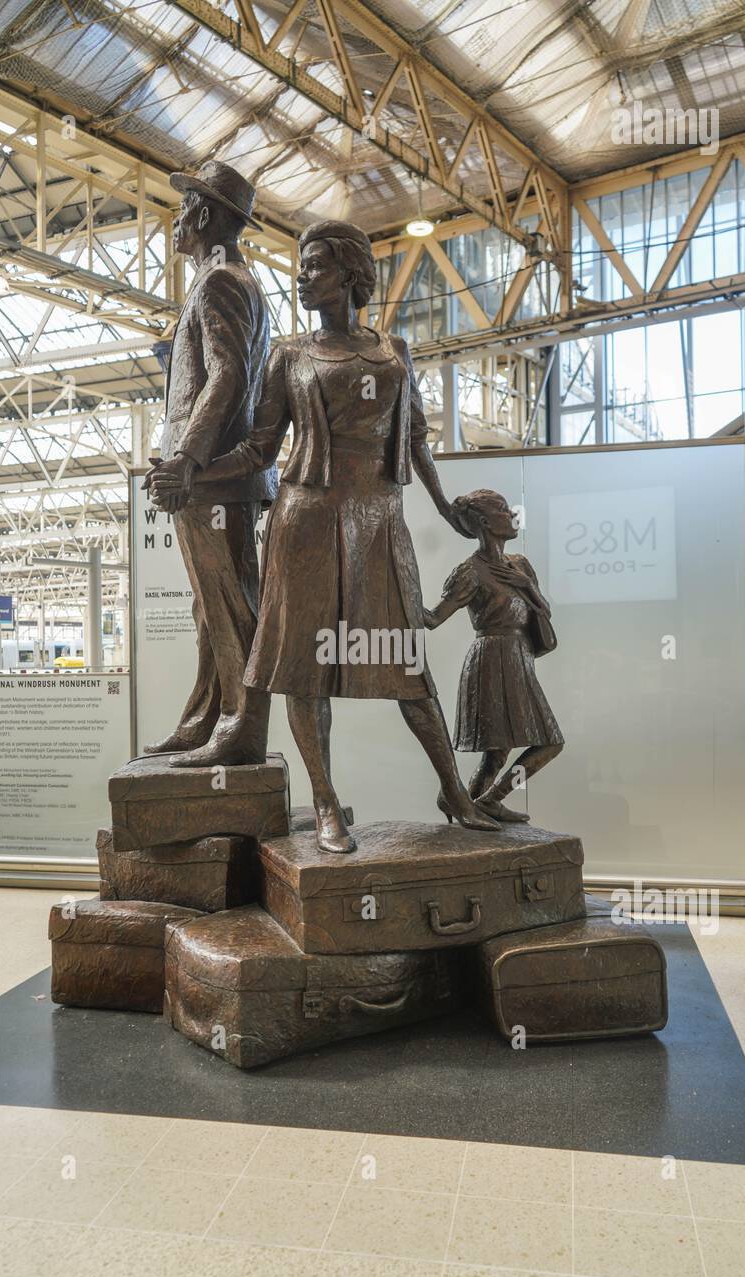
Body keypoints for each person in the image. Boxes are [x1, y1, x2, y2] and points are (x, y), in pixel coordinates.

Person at [173, 219, 498, 852]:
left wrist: (448, 510)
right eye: (301, 265)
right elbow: (261, 449)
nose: (302, 275)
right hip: (305, 523)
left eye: (316, 265)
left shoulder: (395, 352)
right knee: (304, 670)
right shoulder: (287, 356)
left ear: (351, 275)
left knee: (407, 665)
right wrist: (192, 471)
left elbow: (416, 444)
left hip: (380, 524)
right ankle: (325, 802)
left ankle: (454, 792)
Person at [144, 162, 275, 767]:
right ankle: (206, 718)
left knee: (228, 604)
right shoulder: (222, 279)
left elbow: (228, 377)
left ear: (204, 213)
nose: (177, 217)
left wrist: (190, 459)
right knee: (210, 605)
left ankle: (242, 726)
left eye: (184, 205)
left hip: (214, 479)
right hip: (210, 476)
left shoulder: (222, 280)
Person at [424, 489, 563, 822]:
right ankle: (484, 800)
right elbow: (433, 618)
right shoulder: (470, 571)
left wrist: (526, 585)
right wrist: (397, 592)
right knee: (544, 743)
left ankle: (470, 801)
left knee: (499, 752)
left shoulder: (520, 564)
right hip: (492, 658)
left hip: (519, 656)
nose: (511, 513)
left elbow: (544, 609)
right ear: (485, 522)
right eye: (503, 510)